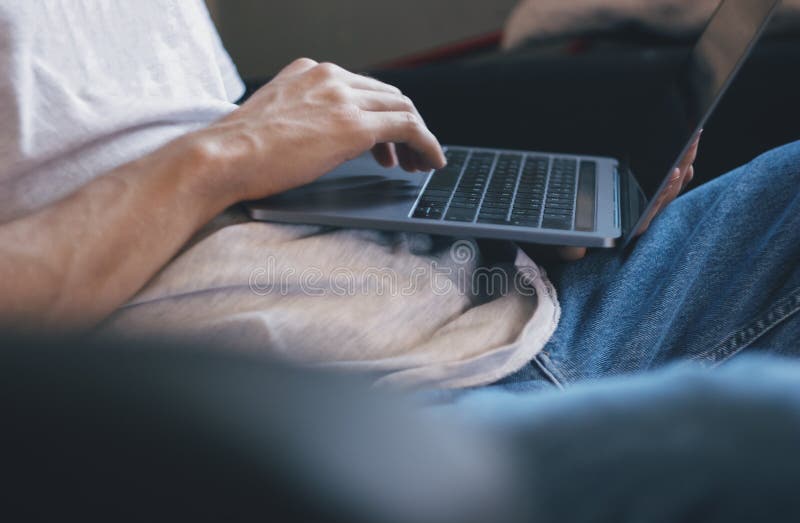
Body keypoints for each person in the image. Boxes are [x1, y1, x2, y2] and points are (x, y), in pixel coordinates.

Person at [0, 0, 796, 392]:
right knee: (757, 446)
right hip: (389, 411)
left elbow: (180, 178)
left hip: (513, 310)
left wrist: (478, 221)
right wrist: (235, 147)